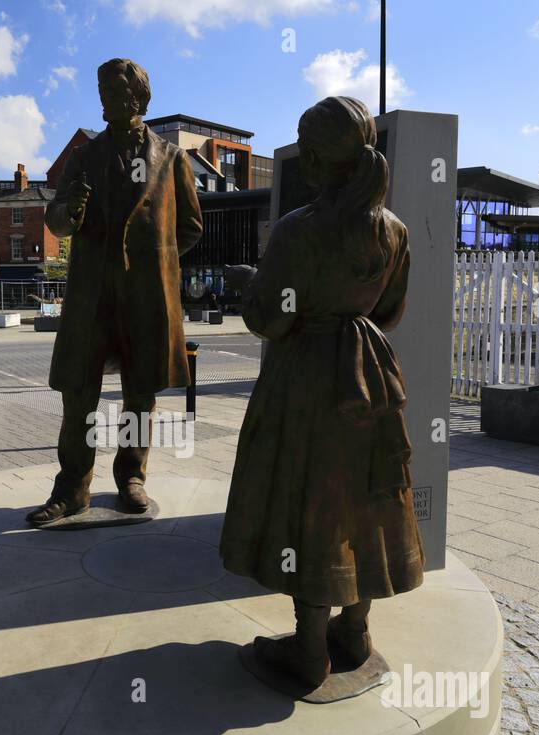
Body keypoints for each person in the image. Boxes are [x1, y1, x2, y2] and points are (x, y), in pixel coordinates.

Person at [220, 96, 424, 689]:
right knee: (368, 499)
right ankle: (355, 631)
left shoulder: (299, 230)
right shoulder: (395, 232)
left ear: (314, 157)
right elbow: (388, 312)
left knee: (307, 498)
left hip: (307, 378)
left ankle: (310, 649)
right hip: (370, 377)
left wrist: (253, 284)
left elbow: (273, 318)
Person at [27, 57, 203, 524]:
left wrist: (156, 261)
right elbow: (57, 219)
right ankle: (72, 489)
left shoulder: (171, 158)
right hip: (93, 296)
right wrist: (72, 212)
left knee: (140, 393)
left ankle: (131, 477)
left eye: (116, 94)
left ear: (139, 100)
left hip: (146, 299)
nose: (107, 101)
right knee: (78, 395)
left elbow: (189, 227)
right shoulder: (85, 157)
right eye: (103, 93)